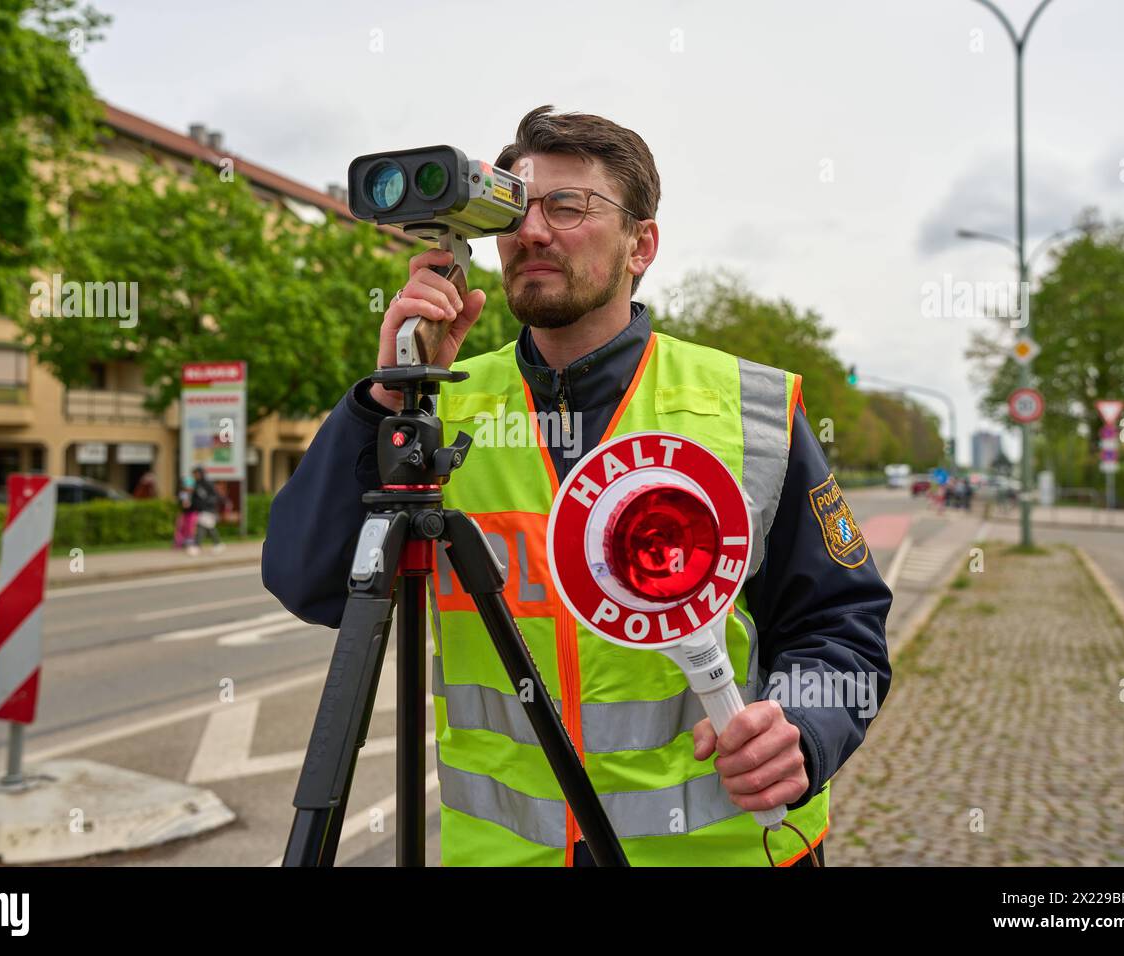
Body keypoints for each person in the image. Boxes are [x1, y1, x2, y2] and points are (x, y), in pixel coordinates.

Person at [263, 105, 892, 867]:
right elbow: (306, 579)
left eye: (567, 207)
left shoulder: (748, 408)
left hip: (719, 854)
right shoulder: (439, 406)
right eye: (514, 212)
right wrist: (386, 400)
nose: (531, 232)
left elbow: (843, 621)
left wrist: (805, 727)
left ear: (642, 243)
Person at [190, 466, 225, 554]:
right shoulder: (196, 484)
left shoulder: (207, 484)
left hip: (209, 510)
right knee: (209, 527)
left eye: (196, 474)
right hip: (202, 510)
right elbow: (195, 498)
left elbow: (215, 496)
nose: (195, 476)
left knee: (202, 527)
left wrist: (206, 503)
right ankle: (217, 544)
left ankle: (197, 546)